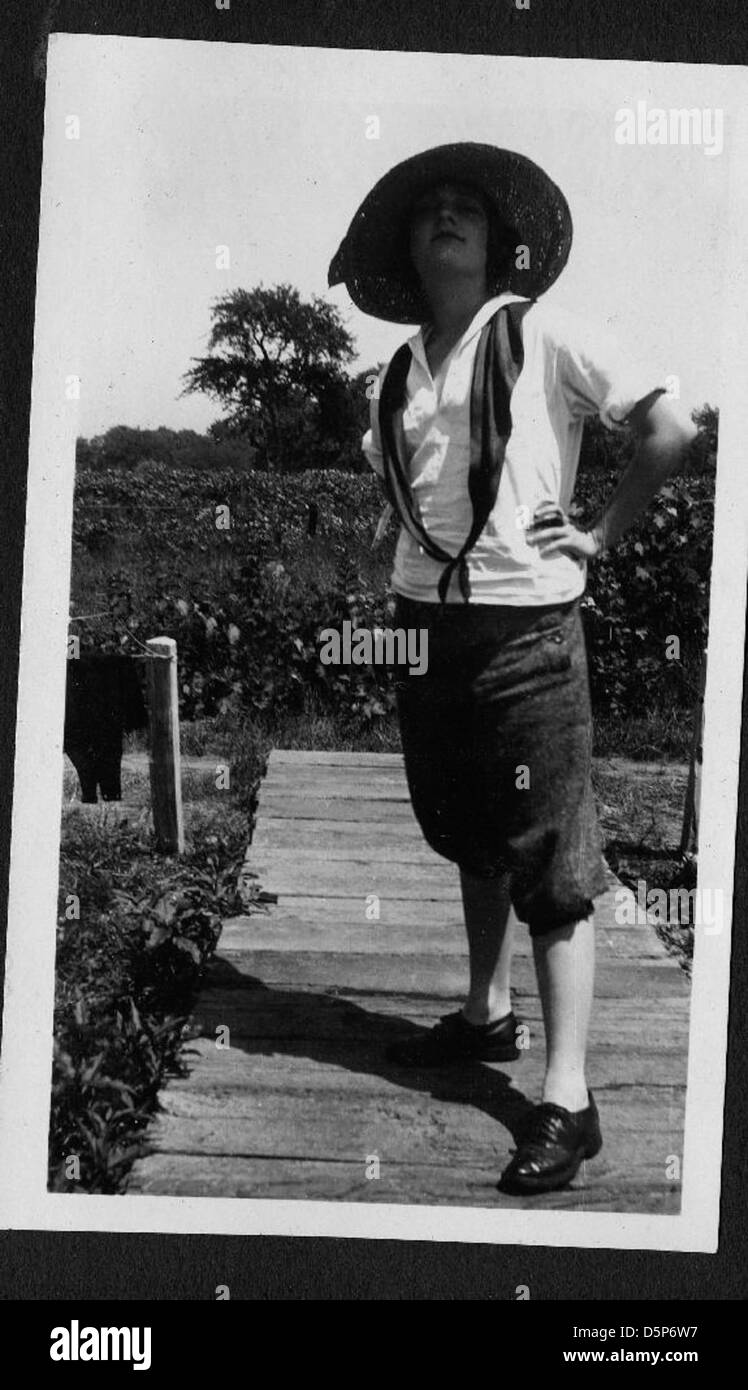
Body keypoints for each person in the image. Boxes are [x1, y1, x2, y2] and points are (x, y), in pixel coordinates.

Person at [328, 142, 696, 1195]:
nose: (446, 218)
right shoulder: (395, 372)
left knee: (551, 861)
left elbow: (669, 427)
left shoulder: (544, 332)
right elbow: (405, 489)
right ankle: (485, 1013)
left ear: (497, 243)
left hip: (529, 633)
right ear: (406, 248)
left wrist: (602, 530)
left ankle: (567, 1100)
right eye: (427, 210)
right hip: (425, 631)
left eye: (465, 209)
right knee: (463, 827)